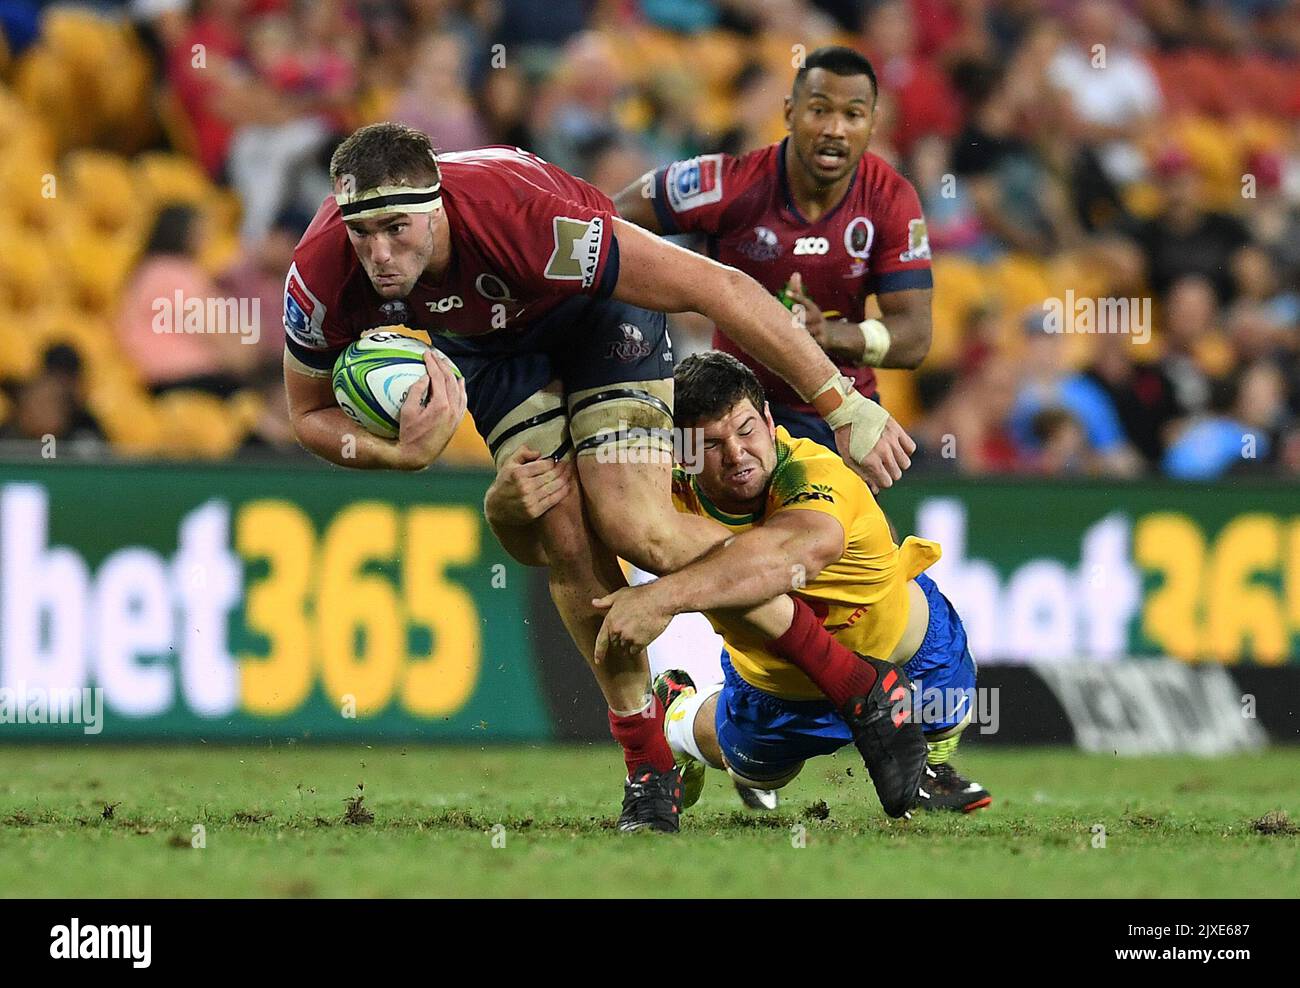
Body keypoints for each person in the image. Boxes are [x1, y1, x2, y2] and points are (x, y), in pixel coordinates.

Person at [282, 123, 920, 831]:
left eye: (395, 228)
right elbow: (307, 412)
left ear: (436, 208)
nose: (376, 254)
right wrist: (397, 457)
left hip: (597, 317)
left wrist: (842, 402)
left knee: (636, 527)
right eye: (361, 231)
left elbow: (720, 287)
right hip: (491, 355)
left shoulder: (531, 221)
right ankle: (648, 770)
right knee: (562, 532)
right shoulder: (320, 270)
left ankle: (857, 687)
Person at [494, 351, 990, 814]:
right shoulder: (655, 498)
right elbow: (556, 552)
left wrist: (660, 598)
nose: (736, 454)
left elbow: (787, 556)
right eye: (710, 444)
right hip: (779, 686)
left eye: (747, 430)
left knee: (952, 705)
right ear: (681, 454)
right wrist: (503, 511)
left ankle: (931, 765)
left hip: (909, 655)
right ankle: (679, 717)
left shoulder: (817, 475)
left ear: (771, 422)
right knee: (757, 772)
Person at [614, 45, 934, 452]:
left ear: (871, 123)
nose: (835, 129)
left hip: (835, 414)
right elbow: (608, 219)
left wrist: (828, 334)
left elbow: (915, 339)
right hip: (729, 415)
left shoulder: (890, 198)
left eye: (852, 115)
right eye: (819, 110)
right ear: (789, 112)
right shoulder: (729, 183)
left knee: (861, 519)